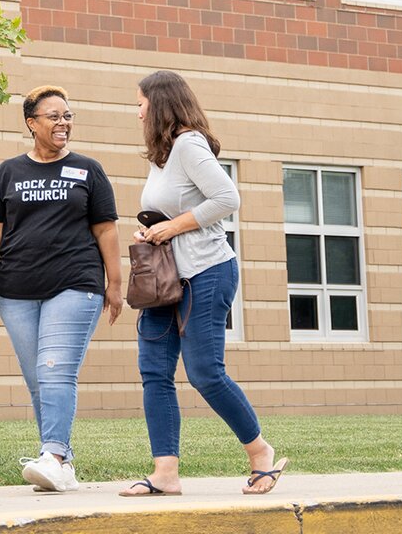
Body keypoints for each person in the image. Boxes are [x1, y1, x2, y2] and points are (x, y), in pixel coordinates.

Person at [121, 69, 287, 497]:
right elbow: (174, 212)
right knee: (154, 372)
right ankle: (166, 473)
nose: (136, 111)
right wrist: (153, 231)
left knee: (204, 372)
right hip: (166, 277)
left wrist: (171, 227)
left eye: (139, 103)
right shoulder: (163, 157)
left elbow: (228, 198)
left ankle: (260, 454)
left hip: (207, 272)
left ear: (158, 104)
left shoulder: (189, 144)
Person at [0, 85, 122, 493]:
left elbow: (106, 228)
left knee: (55, 368)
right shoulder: (8, 172)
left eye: (68, 116)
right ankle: (63, 464)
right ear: (31, 123)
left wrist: (115, 283)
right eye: (54, 117)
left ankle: (53, 455)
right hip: (17, 289)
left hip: (76, 283)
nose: (63, 123)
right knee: (38, 378)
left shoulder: (88, 170)